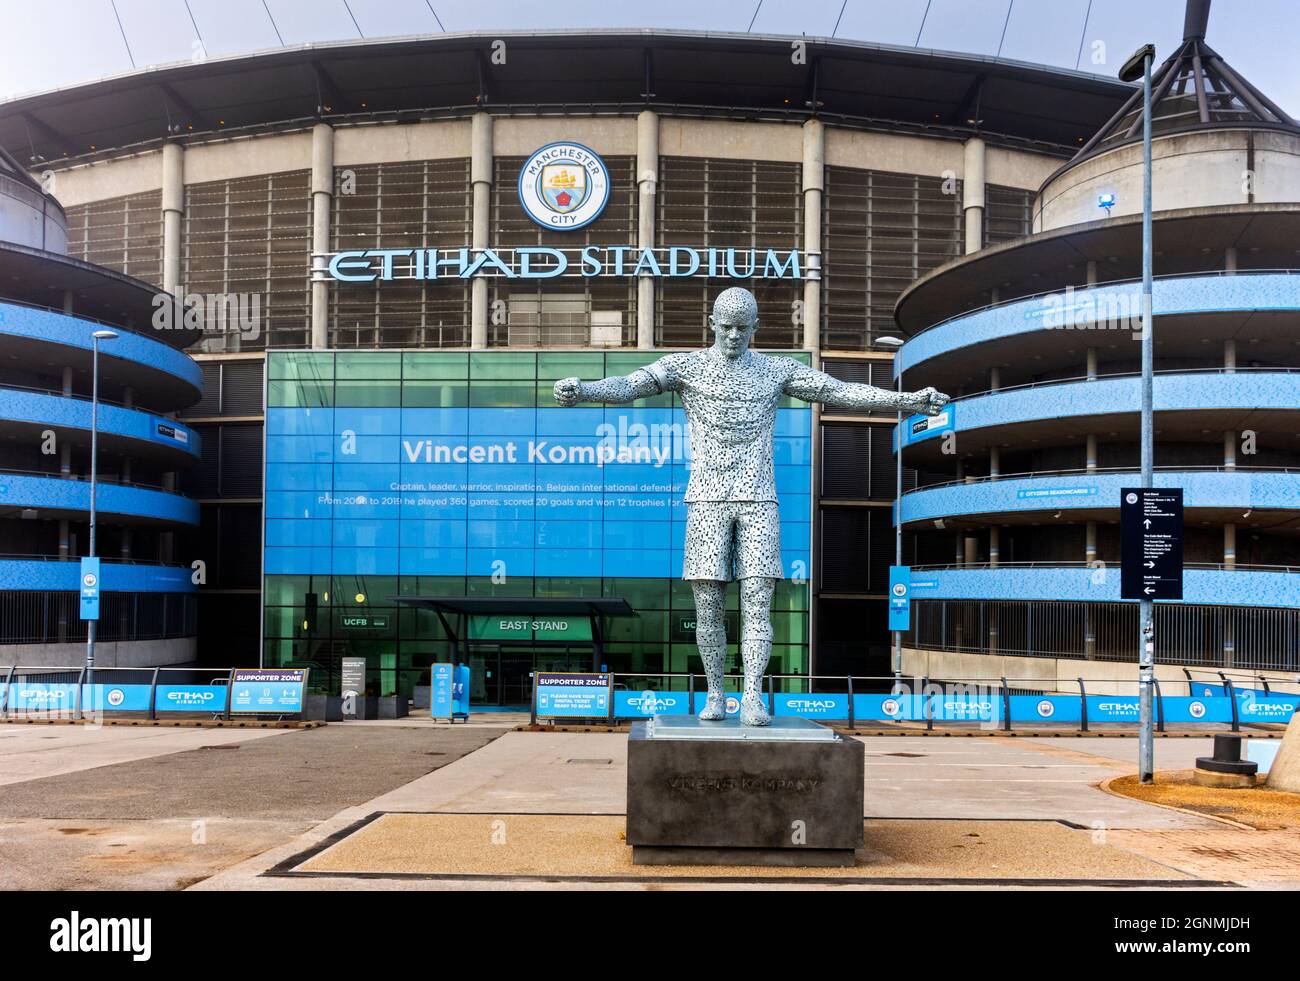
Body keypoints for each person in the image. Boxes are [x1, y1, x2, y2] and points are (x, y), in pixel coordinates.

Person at [555, 287, 949, 725]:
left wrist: (906, 400)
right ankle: (715, 695)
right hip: (706, 497)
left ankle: (753, 696)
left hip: (759, 496)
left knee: (757, 601)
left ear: (756, 329)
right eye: (725, 326)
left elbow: (840, 392)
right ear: (711, 323)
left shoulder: (775, 371)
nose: (732, 336)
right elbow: (631, 386)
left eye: (742, 328)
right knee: (707, 604)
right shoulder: (685, 367)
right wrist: (586, 389)